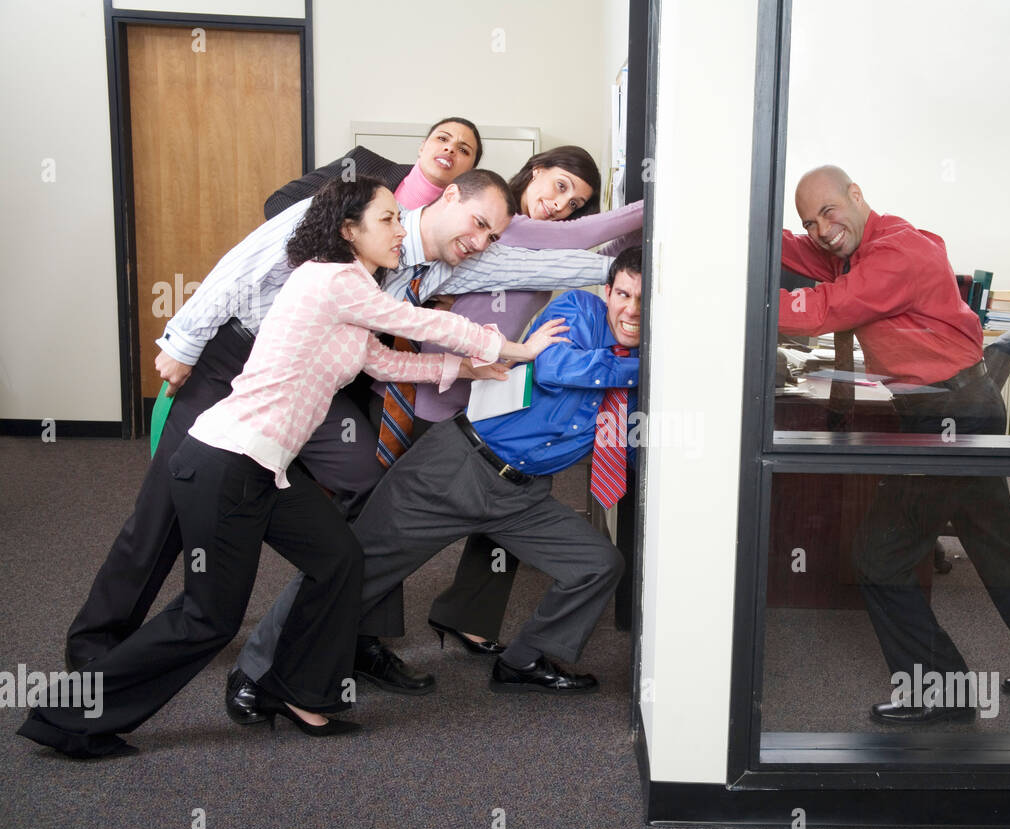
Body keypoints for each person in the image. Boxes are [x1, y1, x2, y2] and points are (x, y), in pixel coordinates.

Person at [18, 176, 569, 758]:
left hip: (265, 469)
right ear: (347, 229)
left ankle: (300, 691)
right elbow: (426, 326)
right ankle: (68, 717)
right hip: (227, 461)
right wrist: (513, 350)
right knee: (206, 619)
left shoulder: (354, 292)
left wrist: (465, 372)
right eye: (387, 219)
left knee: (339, 559)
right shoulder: (330, 279)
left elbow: (382, 362)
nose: (400, 228)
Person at [226, 145, 643, 720]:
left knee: (600, 565)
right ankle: (256, 668)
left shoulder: (505, 254)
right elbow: (553, 365)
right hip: (457, 462)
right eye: (623, 293)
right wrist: (642, 361)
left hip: (524, 494)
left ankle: (525, 661)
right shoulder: (578, 310)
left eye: (644, 302)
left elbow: (551, 263)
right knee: (357, 564)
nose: (630, 309)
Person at [777, 165, 1010, 724]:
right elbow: (792, 251)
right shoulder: (858, 245)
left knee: (878, 558)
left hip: (950, 417)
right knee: (1004, 552)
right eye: (810, 221)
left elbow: (825, 310)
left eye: (829, 212)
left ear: (856, 195)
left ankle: (942, 693)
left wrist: (733, 301)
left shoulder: (897, 254)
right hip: (961, 406)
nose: (821, 229)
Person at [263, 116, 483, 219]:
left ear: (470, 171)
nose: (450, 149)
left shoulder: (464, 218)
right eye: (442, 139)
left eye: (463, 150)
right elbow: (279, 202)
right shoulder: (361, 165)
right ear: (422, 147)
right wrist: (333, 244)